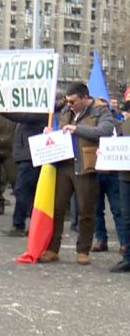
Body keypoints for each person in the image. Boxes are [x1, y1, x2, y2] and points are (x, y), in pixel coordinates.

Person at [40, 82, 115, 265]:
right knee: (57, 209)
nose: (70, 104)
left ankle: (83, 250)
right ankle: (52, 249)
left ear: (85, 98)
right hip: (64, 165)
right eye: (68, 101)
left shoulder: (101, 111)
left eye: (73, 101)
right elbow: (60, 131)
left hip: (85, 166)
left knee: (86, 210)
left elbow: (105, 131)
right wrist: (50, 133)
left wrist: (77, 129)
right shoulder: (65, 111)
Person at [0, 94, 65, 236]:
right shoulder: (40, 111)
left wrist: (0, 108)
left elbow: (20, 116)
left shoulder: (42, 112)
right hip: (27, 156)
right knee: (27, 191)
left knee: (22, 191)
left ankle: (28, 222)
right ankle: (23, 224)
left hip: (31, 157)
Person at [92, 97, 124, 253]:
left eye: (105, 107)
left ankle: (124, 242)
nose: (102, 110)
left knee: (118, 209)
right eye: (98, 108)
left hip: (114, 173)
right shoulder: (91, 125)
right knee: (97, 209)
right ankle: (101, 239)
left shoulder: (120, 126)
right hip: (96, 172)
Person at [110, 101, 130, 273]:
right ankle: (128, 257)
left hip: (125, 176)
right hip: (125, 176)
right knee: (127, 217)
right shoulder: (123, 125)